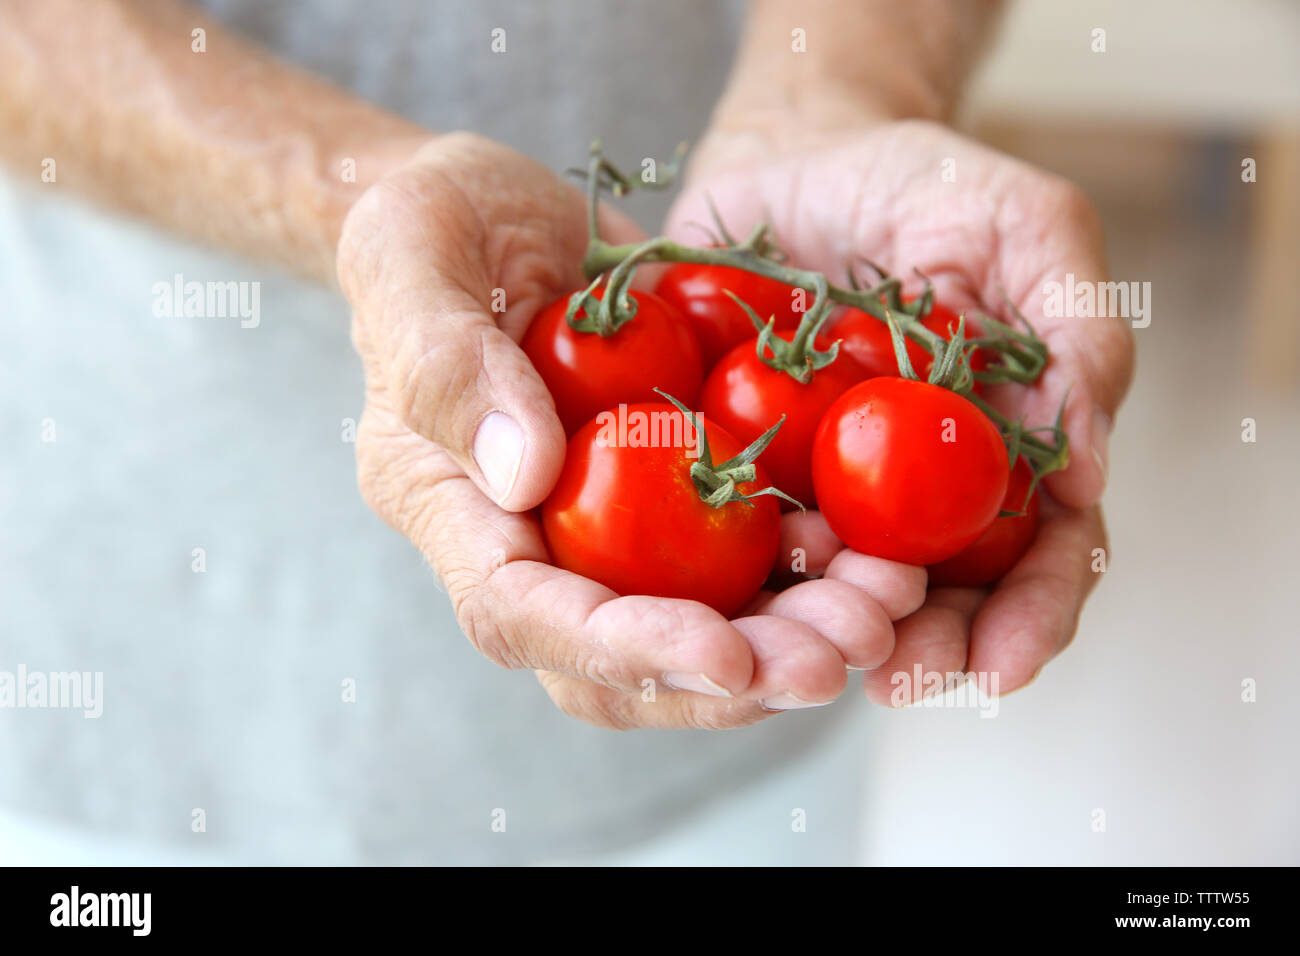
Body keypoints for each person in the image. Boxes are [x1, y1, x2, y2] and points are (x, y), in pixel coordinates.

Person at [0, 0, 1134, 864]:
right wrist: (361, 198)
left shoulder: (740, 389)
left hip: (727, 762)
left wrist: (843, 90)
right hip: (138, 696)